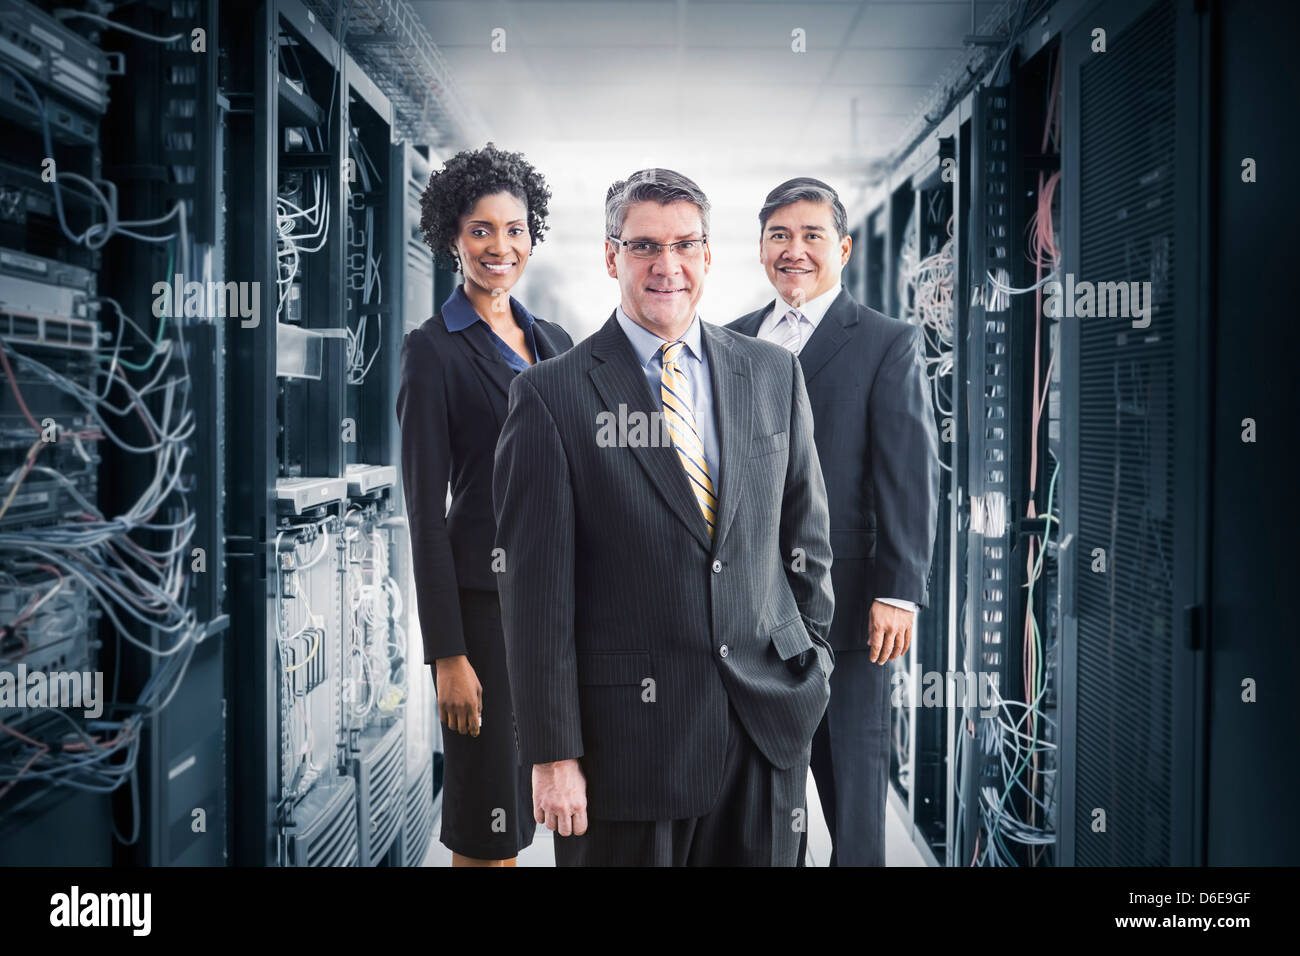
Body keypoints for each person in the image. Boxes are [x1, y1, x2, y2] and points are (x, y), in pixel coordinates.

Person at [491, 168, 834, 866]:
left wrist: (810, 670)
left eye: (684, 244)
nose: (666, 265)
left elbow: (808, 541)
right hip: (628, 754)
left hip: (764, 734)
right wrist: (554, 756)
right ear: (612, 256)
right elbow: (536, 598)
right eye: (645, 245)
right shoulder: (550, 396)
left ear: (708, 254)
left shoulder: (771, 373)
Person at [728, 177, 939, 866]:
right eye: (779, 235)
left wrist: (899, 590)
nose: (795, 250)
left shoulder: (885, 343)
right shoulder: (726, 343)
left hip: (852, 619)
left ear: (842, 248)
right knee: (755, 800)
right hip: (746, 613)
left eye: (812, 235)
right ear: (761, 247)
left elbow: (907, 475)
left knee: (851, 797)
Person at [396, 143, 573, 867]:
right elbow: (424, 511)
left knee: (564, 804)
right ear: (451, 238)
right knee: (489, 828)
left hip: (560, 606)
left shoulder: (555, 343)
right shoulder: (431, 351)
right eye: (481, 230)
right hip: (484, 614)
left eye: (514, 229)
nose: (501, 247)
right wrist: (446, 654)